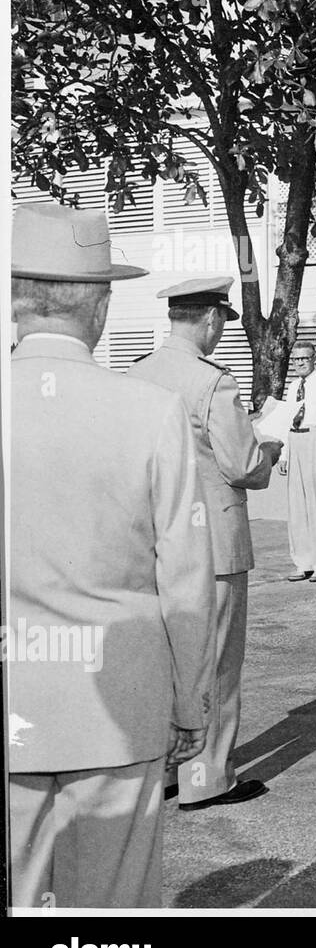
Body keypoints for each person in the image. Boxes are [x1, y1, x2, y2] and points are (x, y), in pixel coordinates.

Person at [9, 203, 216, 907]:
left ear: (15, 302)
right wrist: (191, 702)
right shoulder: (149, 410)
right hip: (116, 707)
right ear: (98, 308)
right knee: (111, 914)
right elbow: (187, 579)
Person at [128, 276, 280, 813]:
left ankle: (167, 769)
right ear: (212, 319)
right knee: (215, 660)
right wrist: (271, 448)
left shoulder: (137, 374)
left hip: (155, 540)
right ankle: (207, 778)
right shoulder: (214, 382)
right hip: (214, 541)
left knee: (168, 660)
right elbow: (242, 465)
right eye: (222, 324)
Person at [279, 341, 316, 582]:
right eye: (296, 359)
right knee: (298, 507)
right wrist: (284, 454)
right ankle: (303, 562)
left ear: (314, 359)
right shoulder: (293, 387)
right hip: (296, 442)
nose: (300, 363)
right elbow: (286, 419)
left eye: (304, 358)